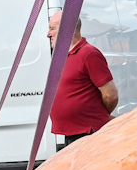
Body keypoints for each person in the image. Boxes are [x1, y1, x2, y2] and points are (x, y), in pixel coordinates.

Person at [47, 12, 117, 145]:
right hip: (73, 133)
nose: (48, 34)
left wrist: (97, 115)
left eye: (52, 28)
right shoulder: (64, 56)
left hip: (87, 133)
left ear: (67, 29)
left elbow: (111, 95)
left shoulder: (89, 54)